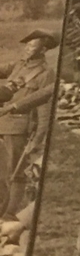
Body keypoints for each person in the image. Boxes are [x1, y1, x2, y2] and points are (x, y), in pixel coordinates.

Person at [0, 29, 58, 217]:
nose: (27, 49)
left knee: (15, 172)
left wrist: (39, 136)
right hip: (3, 121)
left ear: (43, 50)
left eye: (32, 46)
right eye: (27, 45)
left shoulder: (46, 73)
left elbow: (44, 107)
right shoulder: (19, 65)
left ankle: (9, 212)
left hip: (19, 127)